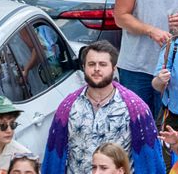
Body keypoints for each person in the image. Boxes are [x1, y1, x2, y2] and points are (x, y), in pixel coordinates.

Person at [41, 41, 165, 174]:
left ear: (114, 68)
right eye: (91, 64)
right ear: (83, 67)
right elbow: (53, 158)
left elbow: (151, 161)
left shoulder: (136, 109)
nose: (96, 69)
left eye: (103, 64)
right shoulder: (68, 107)